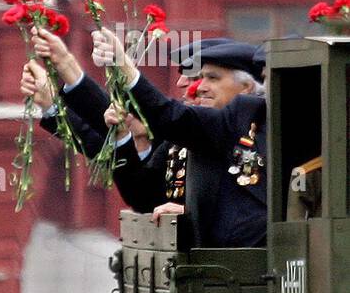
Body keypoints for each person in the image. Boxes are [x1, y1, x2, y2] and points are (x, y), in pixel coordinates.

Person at [93, 28, 267, 247]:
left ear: (246, 87)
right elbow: (142, 195)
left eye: (211, 78)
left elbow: (167, 114)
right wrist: (121, 137)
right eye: (199, 77)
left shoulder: (262, 125)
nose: (198, 87)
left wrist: (123, 66)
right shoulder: (198, 132)